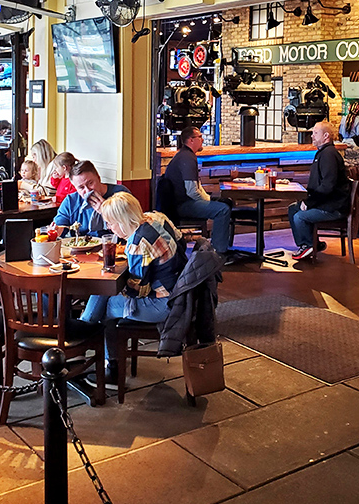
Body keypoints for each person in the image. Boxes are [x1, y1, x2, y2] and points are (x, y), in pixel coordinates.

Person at [80, 192, 186, 387]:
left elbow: (139, 290)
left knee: (105, 306)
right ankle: (86, 333)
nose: (109, 227)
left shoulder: (137, 244)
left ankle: (106, 365)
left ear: (121, 222)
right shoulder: (157, 217)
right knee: (104, 296)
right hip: (180, 292)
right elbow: (181, 241)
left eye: (111, 223)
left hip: (163, 304)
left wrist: (117, 286)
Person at [164, 126, 232, 258]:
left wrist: (208, 199)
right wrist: (208, 200)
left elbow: (196, 187)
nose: (202, 139)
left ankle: (221, 247)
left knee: (225, 202)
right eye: (199, 137)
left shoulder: (186, 155)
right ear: (191, 140)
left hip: (181, 202)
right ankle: (218, 253)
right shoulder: (187, 158)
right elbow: (192, 191)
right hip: (182, 205)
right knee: (222, 209)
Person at [289, 120, 351, 262]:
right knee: (293, 209)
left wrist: (310, 203)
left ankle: (309, 245)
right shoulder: (323, 153)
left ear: (326, 136)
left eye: (315, 133)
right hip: (325, 203)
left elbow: (327, 186)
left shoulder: (328, 155)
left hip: (333, 208)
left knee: (299, 216)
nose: (312, 136)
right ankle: (310, 244)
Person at [51, 160, 129, 236]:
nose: (88, 190)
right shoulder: (71, 201)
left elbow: (129, 228)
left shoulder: (121, 193)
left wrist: (106, 211)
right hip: (80, 246)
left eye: (90, 183)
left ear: (98, 178)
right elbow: (60, 225)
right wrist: (57, 230)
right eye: (81, 187)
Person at [338, 101, 359, 177]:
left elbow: (340, 134)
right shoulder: (358, 121)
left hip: (344, 144)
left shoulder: (343, 119)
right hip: (354, 144)